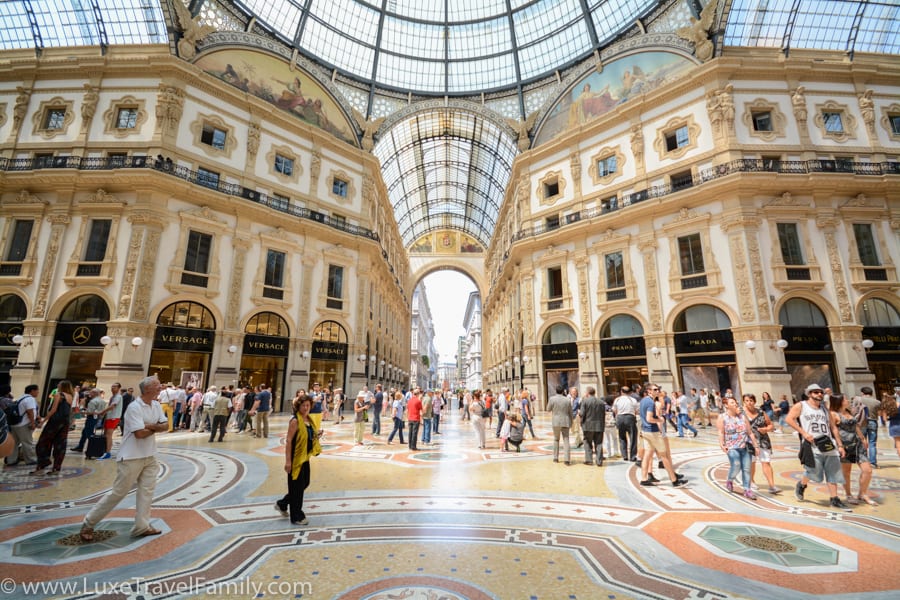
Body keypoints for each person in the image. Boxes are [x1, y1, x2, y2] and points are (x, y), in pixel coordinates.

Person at [80, 376, 168, 541]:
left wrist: (149, 426)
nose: (160, 387)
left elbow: (166, 426)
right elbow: (139, 434)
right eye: (157, 385)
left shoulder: (156, 405)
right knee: (118, 493)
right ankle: (89, 522)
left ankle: (142, 527)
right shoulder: (135, 407)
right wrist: (155, 427)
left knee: (147, 492)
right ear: (147, 389)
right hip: (131, 457)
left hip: (150, 455)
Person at [786, 383, 851, 511]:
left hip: (828, 443)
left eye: (820, 392)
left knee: (833, 472)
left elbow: (833, 427)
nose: (819, 394)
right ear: (809, 394)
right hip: (812, 444)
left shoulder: (825, 409)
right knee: (813, 472)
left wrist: (840, 445)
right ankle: (802, 484)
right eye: (815, 392)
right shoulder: (801, 405)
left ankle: (834, 499)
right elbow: (789, 419)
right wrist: (804, 433)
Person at [275, 394, 321, 525]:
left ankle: (282, 503)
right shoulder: (295, 421)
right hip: (296, 459)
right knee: (296, 486)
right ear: (298, 406)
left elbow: (307, 435)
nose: (306, 408)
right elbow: (289, 441)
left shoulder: (308, 420)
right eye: (303, 405)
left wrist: (315, 435)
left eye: (308, 405)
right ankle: (297, 516)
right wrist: (288, 461)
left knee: (304, 483)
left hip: (305, 457)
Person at [639, 384, 687, 487]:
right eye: (655, 389)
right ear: (649, 391)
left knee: (647, 455)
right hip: (653, 431)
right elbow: (649, 418)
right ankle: (674, 480)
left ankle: (644, 479)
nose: (657, 391)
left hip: (645, 431)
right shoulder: (651, 402)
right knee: (664, 455)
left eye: (658, 389)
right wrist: (660, 420)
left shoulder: (643, 401)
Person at [831, 393, 874, 506]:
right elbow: (834, 430)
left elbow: (856, 426)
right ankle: (849, 494)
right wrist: (840, 446)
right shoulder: (834, 414)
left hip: (858, 444)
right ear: (839, 401)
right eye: (845, 399)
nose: (848, 400)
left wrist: (863, 438)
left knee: (867, 470)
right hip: (846, 445)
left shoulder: (848, 412)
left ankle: (862, 493)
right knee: (847, 472)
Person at [717, 395, 759, 499]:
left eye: (735, 402)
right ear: (726, 405)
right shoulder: (722, 417)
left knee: (746, 469)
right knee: (736, 465)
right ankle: (730, 480)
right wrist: (722, 444)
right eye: (732, 402)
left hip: (745, 446)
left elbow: (750, 432)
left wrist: (756, 446)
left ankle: (747, 489)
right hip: (732, 447)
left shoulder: (742, 417)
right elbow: (721, 432)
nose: (735, 404)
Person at [32, 380, 74, 475]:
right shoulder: (70, 396)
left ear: (62, 386)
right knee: (60, 444)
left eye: (59, 384)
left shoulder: (59, 395)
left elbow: (53, 410)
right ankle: (56, 467)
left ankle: (42, 464)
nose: (57, 385)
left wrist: (43, 421)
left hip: (55, 422)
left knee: (43, 443)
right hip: (65, 422)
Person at [743, 394, 780, 495]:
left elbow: (771, 425)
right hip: (749, 441)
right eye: (746, 401)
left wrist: (766, 429)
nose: (749, 402)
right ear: (744, 402)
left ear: (754, 402)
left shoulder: (761, 412)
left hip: (763, 440)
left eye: (751, 400)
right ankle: (751, 481)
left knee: (766, 462)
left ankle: (772, 486)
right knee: (751, 463)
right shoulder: (741, 413)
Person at [5, 384, 39, 466]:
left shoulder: (21, 397)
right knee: (27, 442)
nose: (38, 392)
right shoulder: (30, 399)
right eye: (37, 390)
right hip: (24, 425)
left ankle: (11, 460)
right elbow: (30, 412)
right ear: (32, 391)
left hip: (15, 424)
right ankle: (30, 460)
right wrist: (33, 423)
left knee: (14, 443)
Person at [71, 388, 105, 454]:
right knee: (84, 432)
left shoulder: (92, 401)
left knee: (89, 433)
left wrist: (82, 412)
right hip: (98, 418)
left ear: (95, 393)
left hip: (91, 418)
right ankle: (80, 446)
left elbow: (90, 412)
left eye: (91, 392)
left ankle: (92, 448)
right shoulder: (102, 400)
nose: (89, 394)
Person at [579, 386, 605, 466]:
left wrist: (579, 414)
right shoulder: (601, 402)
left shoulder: (585, 401)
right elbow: (603, 414)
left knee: (587, 442)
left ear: (587, 393)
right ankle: (599, 461)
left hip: (588, 425)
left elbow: (582, 414)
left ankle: (589, 460)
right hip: (599, 425)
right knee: (599, 443)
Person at [548, 384, 573, 465]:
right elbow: (570, 413)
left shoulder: (552, 399)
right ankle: (567, 460)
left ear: (556, 391)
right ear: (563, 391)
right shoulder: (567, 400)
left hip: (556, 421)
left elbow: (548, 409)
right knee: (566, 440)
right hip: (565, 421)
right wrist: (571, 422)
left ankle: (555, 458)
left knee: (556, 439)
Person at [855, 386, 880, 467]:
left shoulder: (858, 399)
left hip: (862, 423)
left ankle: (864, 460)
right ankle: (873, 462)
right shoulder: (877, 402)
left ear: (862, 393)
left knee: (862, 441)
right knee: (872, 443)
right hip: (873, 422)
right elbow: (879, 413)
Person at [98, 383, 124, 460]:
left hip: (113, 418)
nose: (113, 388)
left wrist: (103, 412)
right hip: (110, 417)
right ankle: (105, 451)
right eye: (112, 386)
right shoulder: (113, 396)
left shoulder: (118, 396)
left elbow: (112, 406)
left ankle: (108, 453)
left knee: (109, 435)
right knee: (106, 434)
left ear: (119, 388)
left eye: (115, 386)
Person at [613, 386, 639, 461]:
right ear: (629, 392)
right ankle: (633, 456)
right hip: (630, 417)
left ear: (621, 391)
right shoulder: (633, 400)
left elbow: (615, 410)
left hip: (620, 418)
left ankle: (624, 455)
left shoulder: (617, 399)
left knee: (622, 437)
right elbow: (636, 411)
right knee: (633, 437)